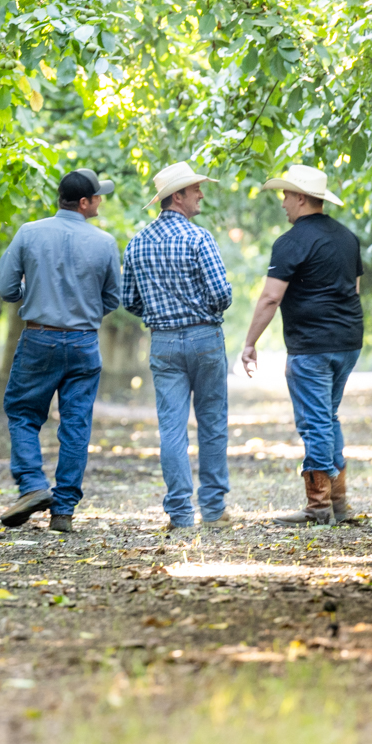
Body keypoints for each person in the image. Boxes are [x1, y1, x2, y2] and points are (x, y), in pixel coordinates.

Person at [0, 168, 121, 533]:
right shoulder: (105, 243)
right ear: (84, 203)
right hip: (84, 344)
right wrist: (83, 311)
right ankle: (63, 511)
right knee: (76, 424)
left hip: (39, 338)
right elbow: (113, 297)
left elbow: (6, 288)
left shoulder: (29, 233)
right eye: (98, 196)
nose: (100, 201)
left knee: (22, 413)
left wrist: (32, 296)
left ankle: (33, 485)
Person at [241, 165, 365, 525]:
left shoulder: (291, 241)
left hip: (311, 346)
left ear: (300, 197)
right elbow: (353, 291)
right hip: (348, 342)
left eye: (285, 196)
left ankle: (318, 507)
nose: (282, 204)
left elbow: (269, 298)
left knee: (315, 423)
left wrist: (250, 343)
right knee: (328, 416)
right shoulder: (347, 237)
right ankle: (339, 505)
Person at [121, 162, 233, 530]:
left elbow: (130, 301)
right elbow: (221, 294)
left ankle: (180, 514)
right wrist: (203, 311)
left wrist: (159, 314)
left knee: (171, 427)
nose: (201, 194)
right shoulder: (199, 238)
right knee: (212, 423)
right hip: (204, 338)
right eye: (195, 189)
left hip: (163, 342)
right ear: (178, 196)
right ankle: (214, 511)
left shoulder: (137, 243)